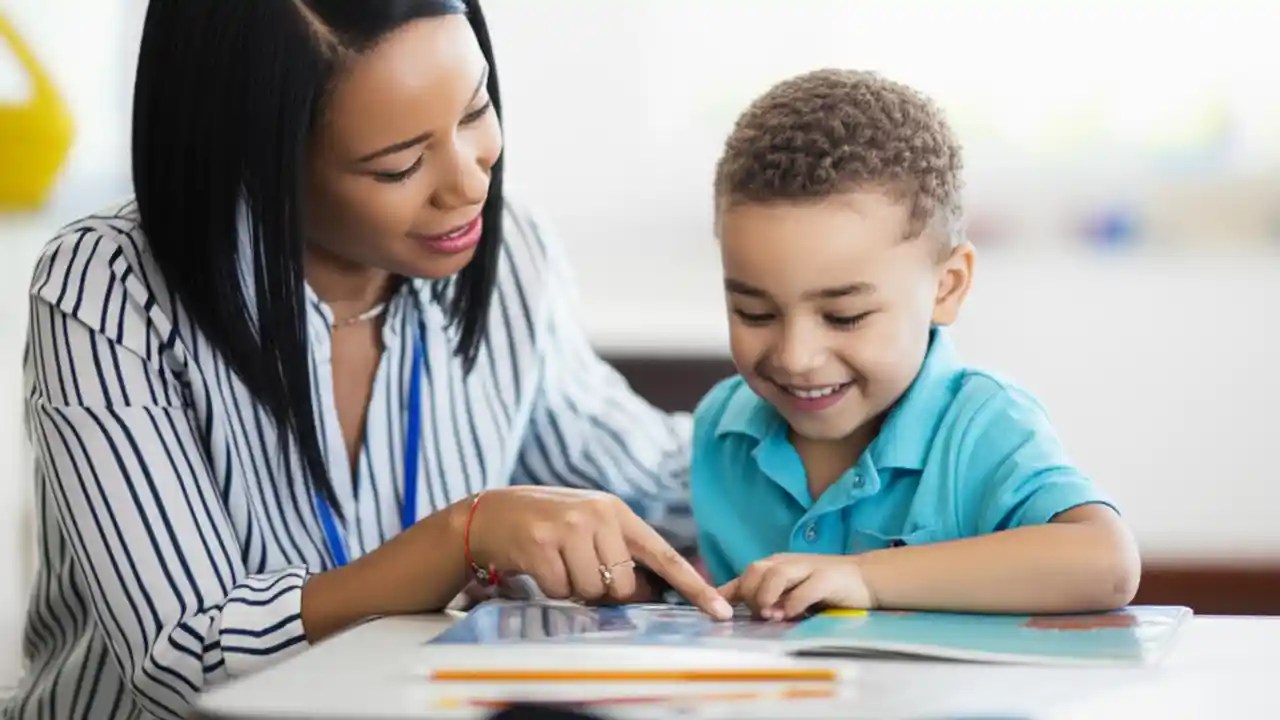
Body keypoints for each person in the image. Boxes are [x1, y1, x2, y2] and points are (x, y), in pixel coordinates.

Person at [4, 2, 730, 718]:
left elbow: (656, 479)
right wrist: (462, 537)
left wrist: (828, 424)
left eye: (476, 112)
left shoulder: (508, 256)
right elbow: (181, 656)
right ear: (254, 156)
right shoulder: (108, 286)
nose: (469, 182)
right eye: (400, 165)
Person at [691, 69, 1141, 620]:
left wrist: (865, 577)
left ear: (947, 288)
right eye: (753, 312)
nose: (795, 356)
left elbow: (1107, 563)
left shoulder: (982, 423)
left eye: (845, 317)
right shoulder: (720, 426)